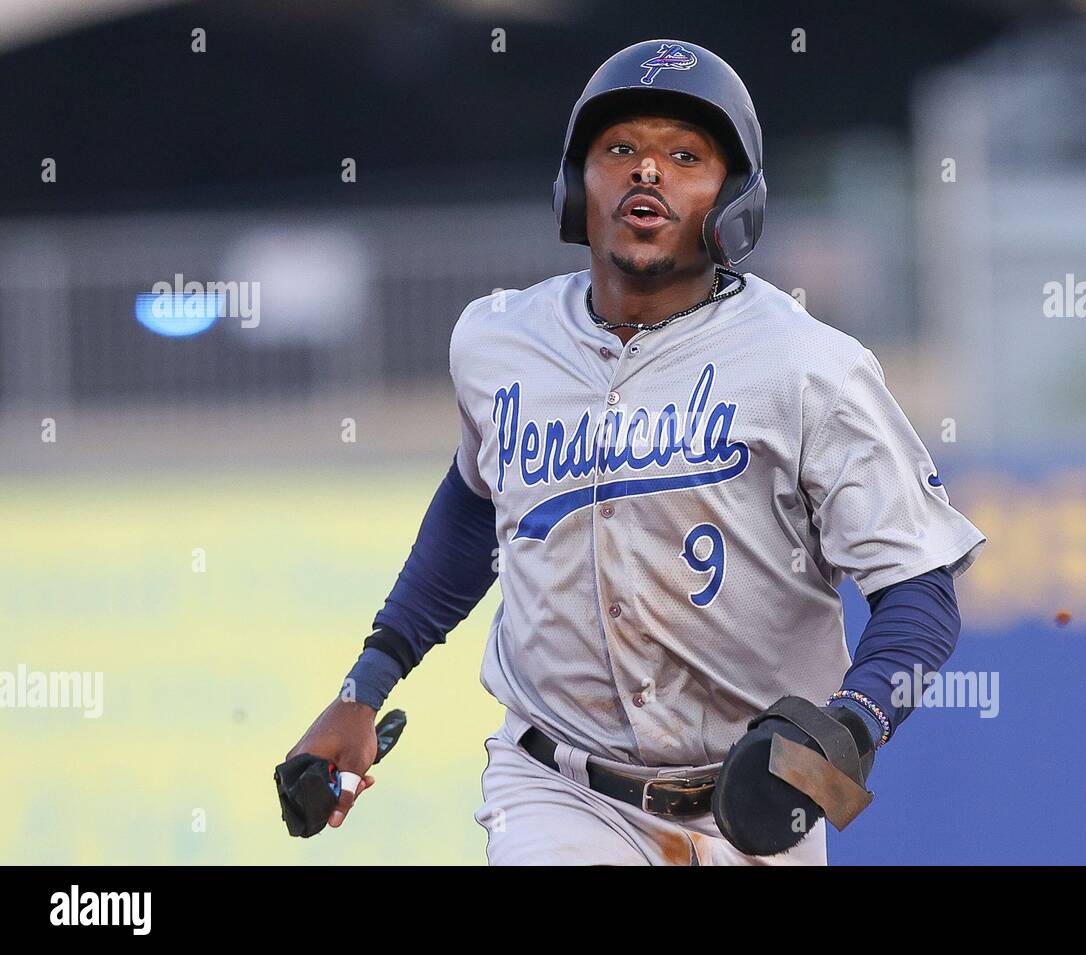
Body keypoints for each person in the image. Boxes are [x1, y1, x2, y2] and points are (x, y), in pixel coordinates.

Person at [284, 38, 985, 866]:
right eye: (620, 149)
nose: (647, 173)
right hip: (555, 788)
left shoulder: (809, 367)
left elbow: (921, 593)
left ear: (733, 197)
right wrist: (364, 686)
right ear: (578, 184)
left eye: (684, 155)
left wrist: (856, 724)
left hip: (754, 803)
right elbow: (480, 505)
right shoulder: (497, 339)